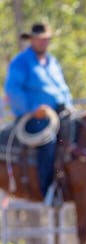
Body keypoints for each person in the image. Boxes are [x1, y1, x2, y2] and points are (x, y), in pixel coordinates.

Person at [4, 22, 73, 205]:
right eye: (40, 40)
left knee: (78, 136)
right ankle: (48, 189)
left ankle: (71, 182)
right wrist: (33, 109)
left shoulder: (52, 62)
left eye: (46, 40)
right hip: (35, 118)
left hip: (60, 113)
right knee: (47, 140)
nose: (44, 43)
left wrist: (69, 105)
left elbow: (63, 89)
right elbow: (12, 89)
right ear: (32, 40)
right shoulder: (22, 62)